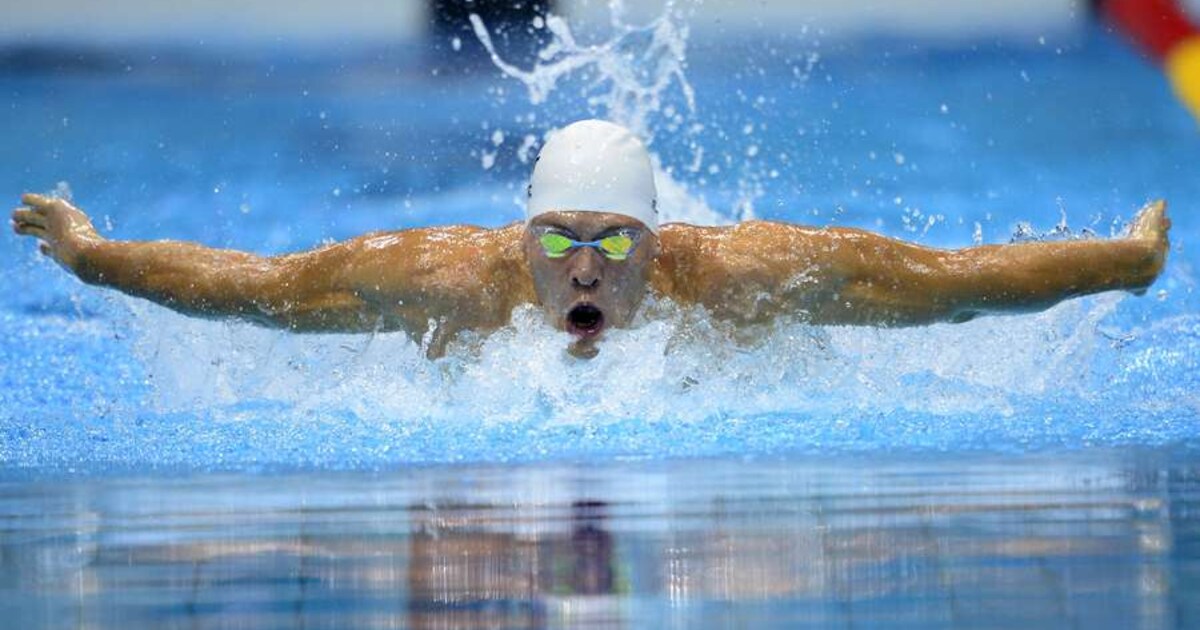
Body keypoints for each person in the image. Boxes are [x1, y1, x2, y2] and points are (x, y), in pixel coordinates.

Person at [11, 119, 1171, 359]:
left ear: (661, 247)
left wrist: (1125, 265)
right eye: (558, 240)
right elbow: (257, 289)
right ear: (518, 242)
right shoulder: (447, 283)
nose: (582, 267)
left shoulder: (747, 279)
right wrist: (95, 256)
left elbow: (948, 288)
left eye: (616, 245)